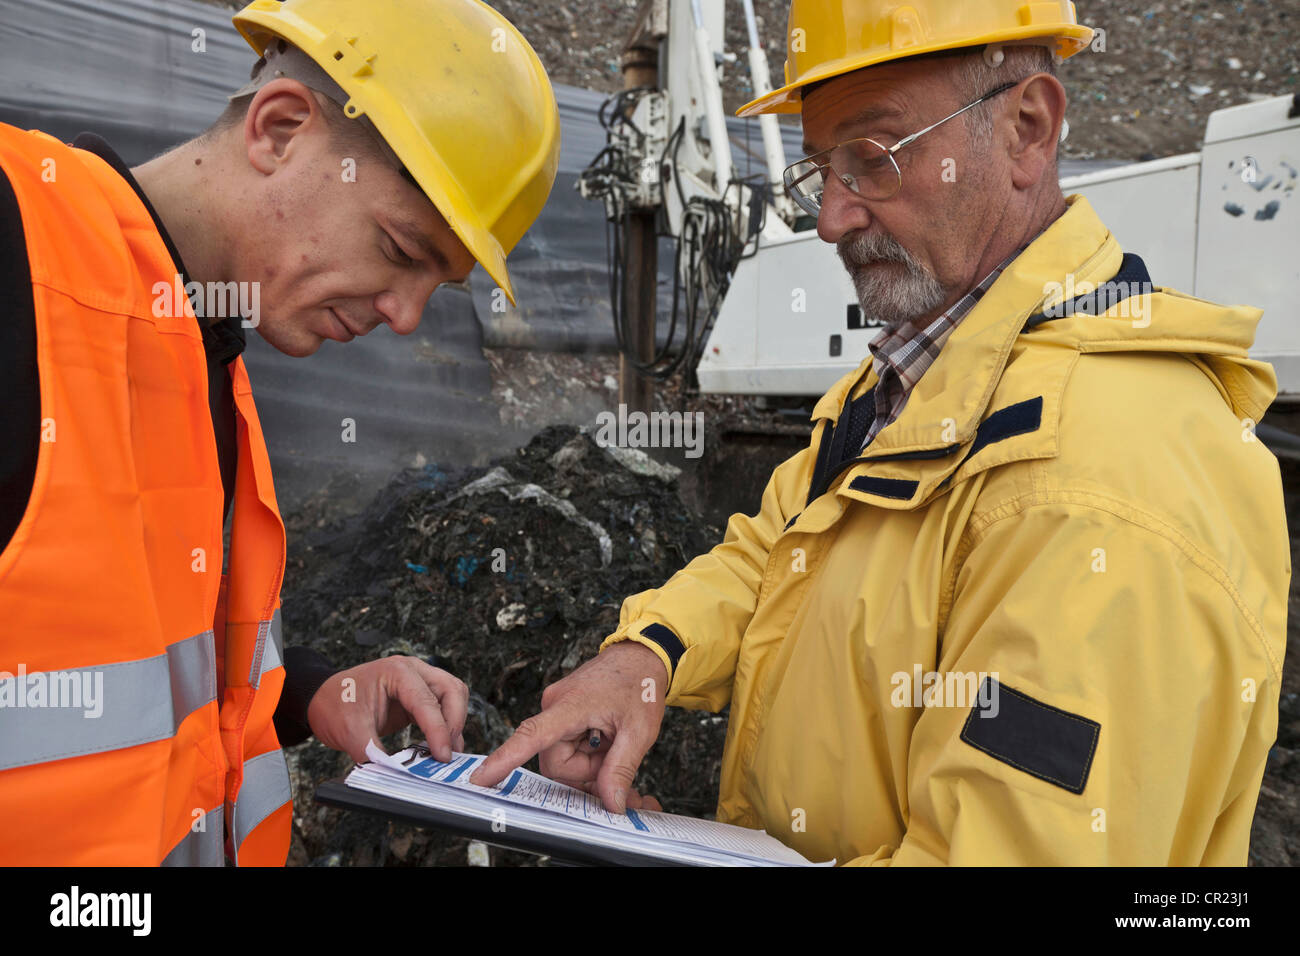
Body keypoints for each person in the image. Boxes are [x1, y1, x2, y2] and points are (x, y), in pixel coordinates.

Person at [472, 0, 1290, 865]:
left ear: (1027, 128)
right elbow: (776, 555)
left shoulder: (1097, 484)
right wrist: (648, 654)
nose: (830, 218)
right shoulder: (918, 376)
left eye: (875, 158)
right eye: (821, 167)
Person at [0, 0, 558, 865]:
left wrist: (307, 693)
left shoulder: (202, 353)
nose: (406, 317)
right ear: (281, 128)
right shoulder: (20, 248)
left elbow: (132, 673)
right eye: (401, 249)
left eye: (437, 288)